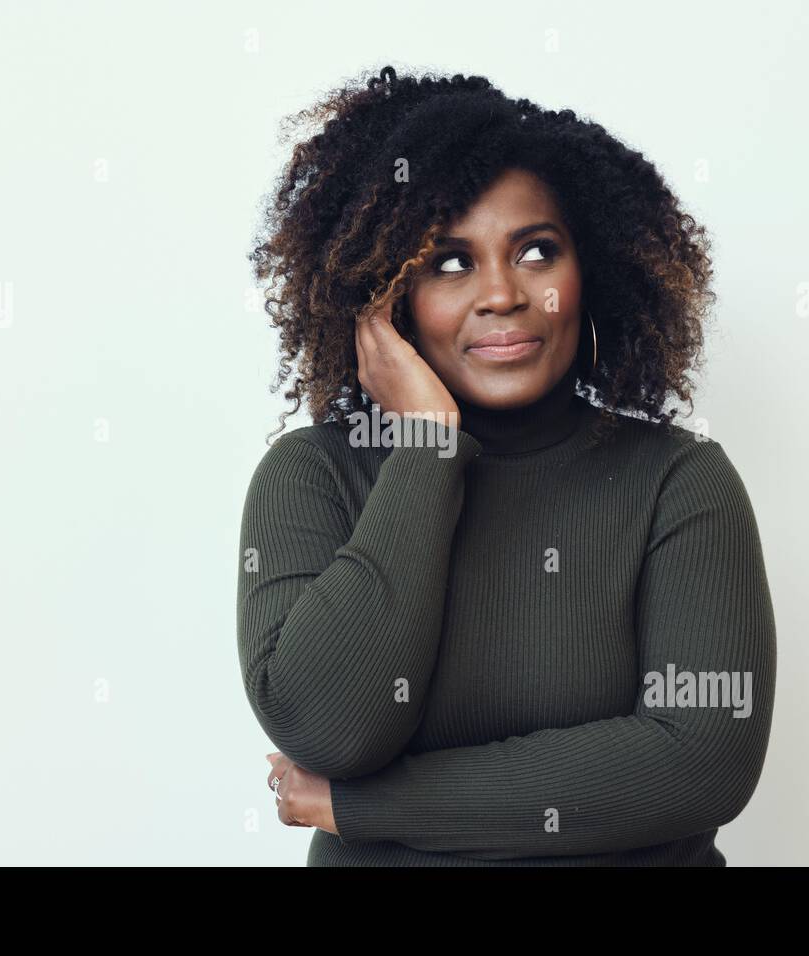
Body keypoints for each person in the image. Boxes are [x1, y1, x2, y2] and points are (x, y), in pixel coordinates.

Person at [237, 65, 776, 865]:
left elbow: (700, 763)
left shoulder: (678, 482)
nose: (501, 295)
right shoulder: (314, 478)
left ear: (587, 271)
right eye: (450, 262)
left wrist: (364, 807)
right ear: (385, 298)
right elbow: (329, 726)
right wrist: (425, 449)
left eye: (535, 251)